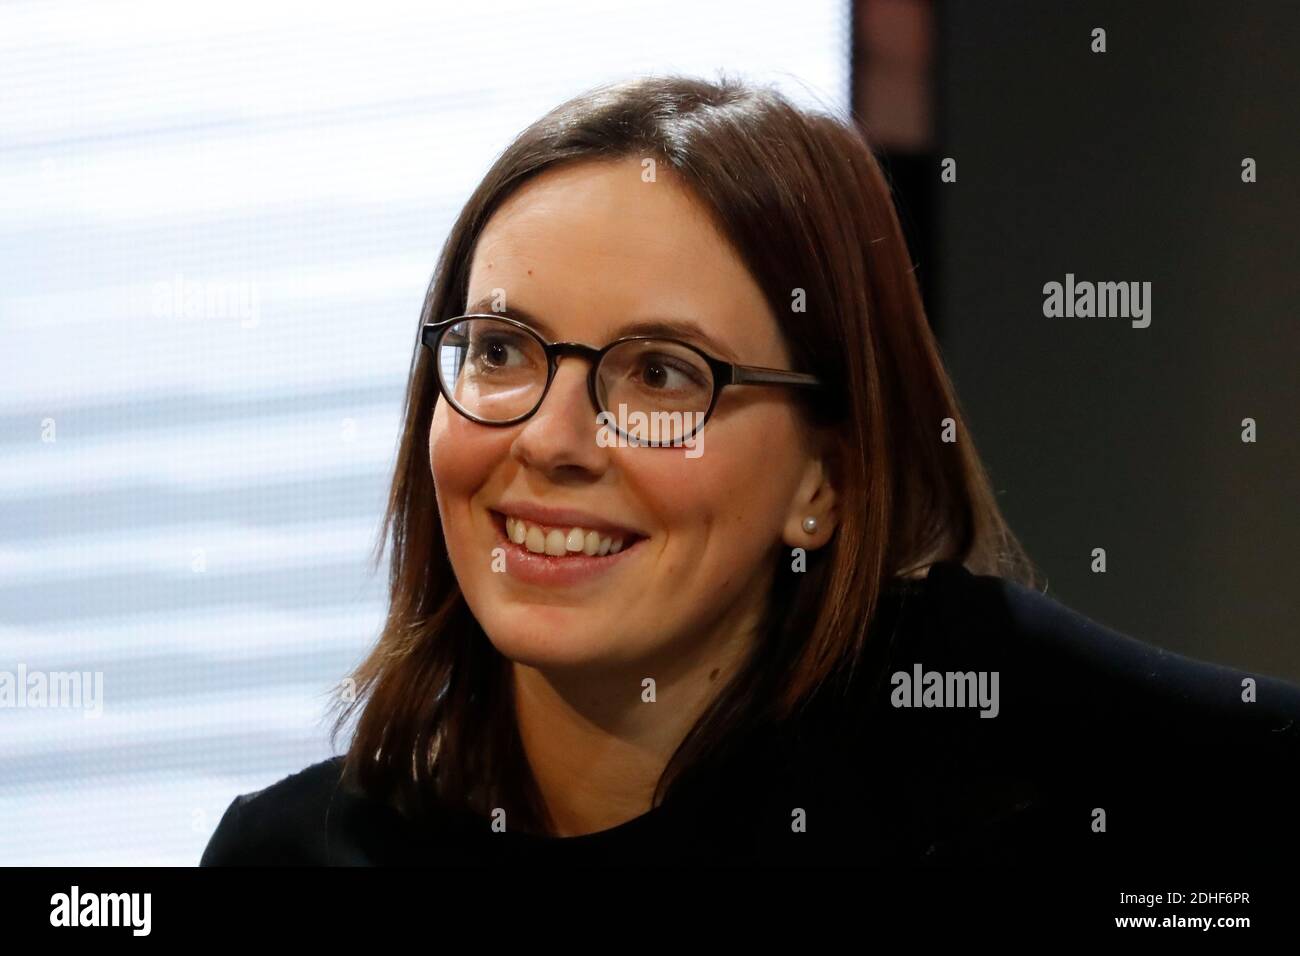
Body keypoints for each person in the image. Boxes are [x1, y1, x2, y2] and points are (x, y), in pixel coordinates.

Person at [200, 74, 1300, 867]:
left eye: (663, 375)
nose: (552, 438)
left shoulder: (988, 761)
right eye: (499, 350)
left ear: (826, 482)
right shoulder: (292, 851)